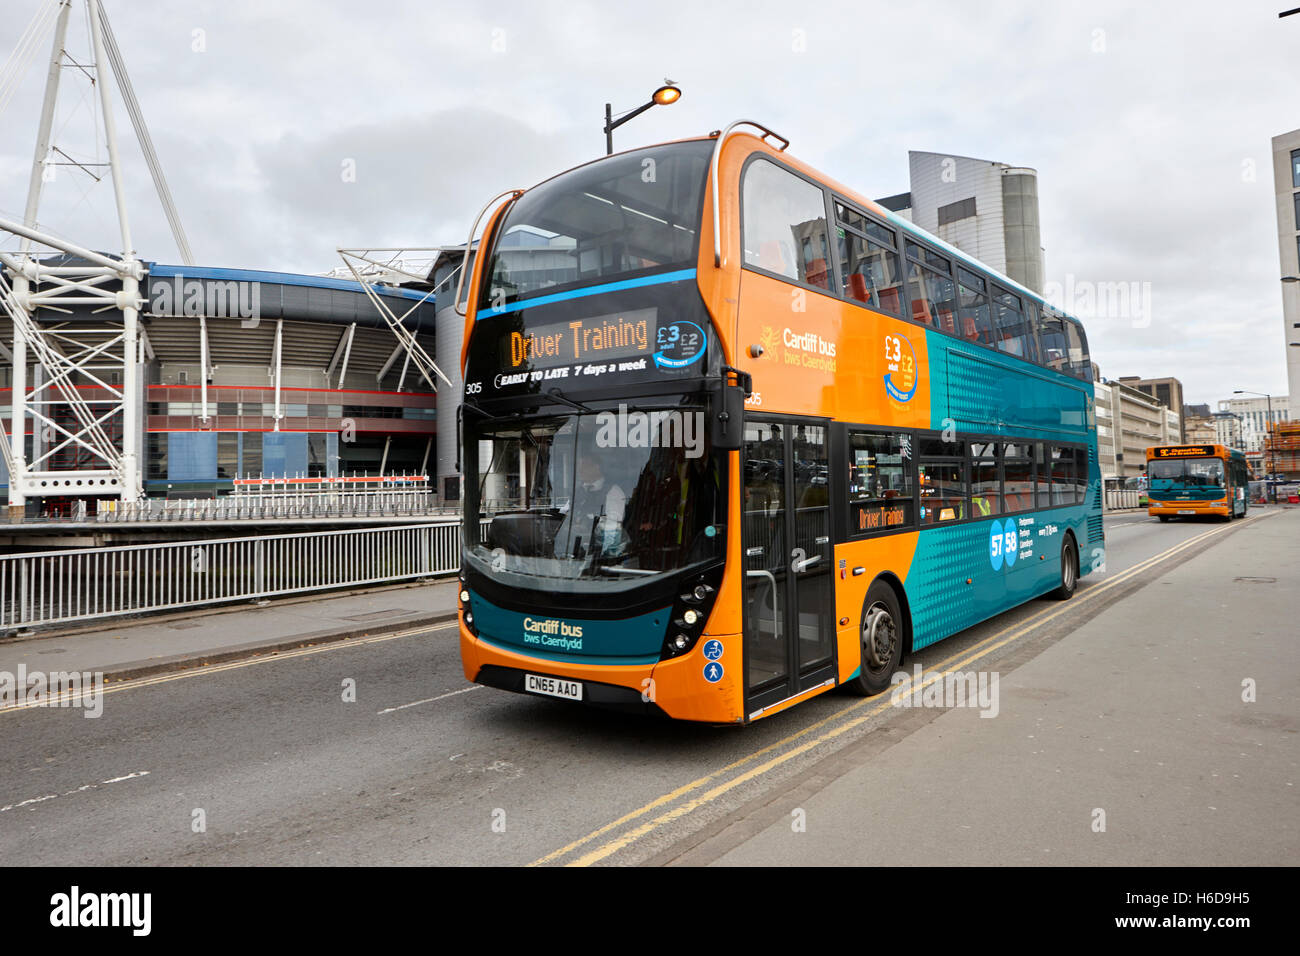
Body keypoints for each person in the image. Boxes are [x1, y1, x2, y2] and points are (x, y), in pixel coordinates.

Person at [555, 452, 626, 560]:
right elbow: (564, 514)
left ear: (596, 467)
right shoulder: (578, 491)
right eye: (579, 467)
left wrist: (605, 558)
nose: (579, 471)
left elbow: (613, 528)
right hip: (572, 549)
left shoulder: (613, 492)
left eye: (584, 466)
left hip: (596, 554)